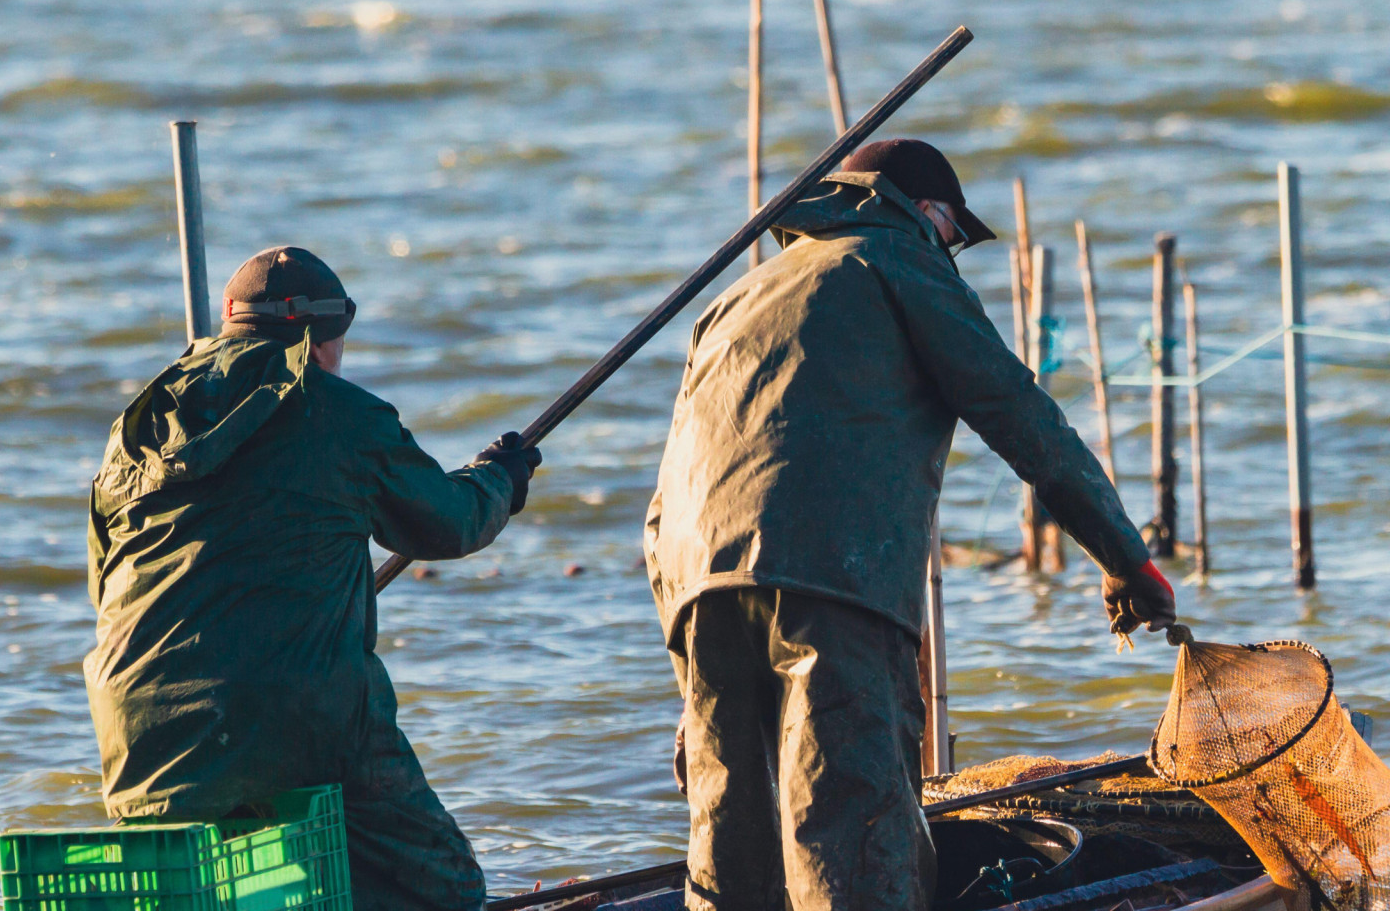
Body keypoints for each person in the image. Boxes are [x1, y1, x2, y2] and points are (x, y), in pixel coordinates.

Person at [644, 139, 1178, 911]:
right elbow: (1020, 414)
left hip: (697, 590)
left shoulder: (735, 299)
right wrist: (1126, 558)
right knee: (853, 841)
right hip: (835, 581)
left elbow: (663, 508)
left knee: (733, 863)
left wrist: (689, 676)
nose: (951, 249)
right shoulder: (898, 258)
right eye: (955, 233)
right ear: (927, 212)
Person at [83, 246, 543, 911]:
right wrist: (499, 477)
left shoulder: (138, 425)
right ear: (321, 339)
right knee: (447, 885)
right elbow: (451, 522)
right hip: (296, 718)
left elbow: (105, 584)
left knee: (249, 891)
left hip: (137, 732)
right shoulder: (340, 413)